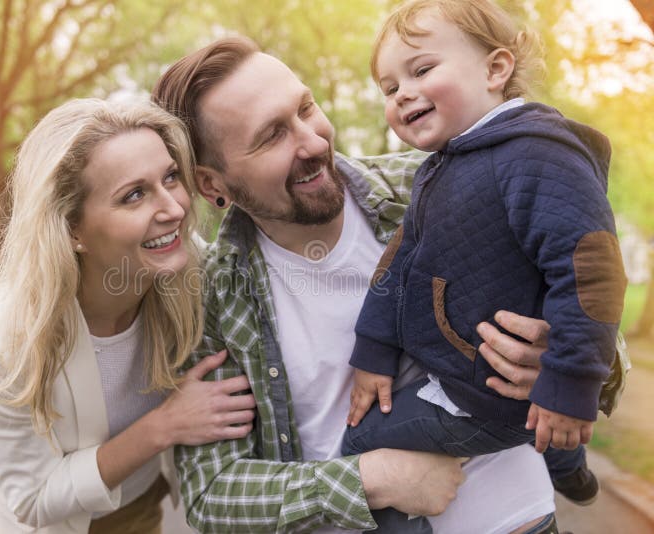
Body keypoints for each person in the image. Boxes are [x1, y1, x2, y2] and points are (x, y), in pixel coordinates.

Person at [149, 36, 612, 533]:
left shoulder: (434, 183)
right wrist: (368, 479)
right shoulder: (206, 297)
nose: (312, 142)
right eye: (271, 136)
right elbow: (213, 494)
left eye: (306, 108)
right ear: (212, 184)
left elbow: (584, 278)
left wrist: (570, 361)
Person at [344, 1, 627, 526]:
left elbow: (591, 272)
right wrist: (374, 351)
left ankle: (560, 444)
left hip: (487, 393)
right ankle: (566, 461)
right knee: (550, 419)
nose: (402, 91)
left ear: (496, 70)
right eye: (388, 87)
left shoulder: (537, 155)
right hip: (479, 376)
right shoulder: (442, 168)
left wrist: (569, 382)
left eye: (422, 69)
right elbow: (399, 266)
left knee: (361, 442)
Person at [0, 99, 257, 534]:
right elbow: (35, 498)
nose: (173, 208)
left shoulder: (194, 273)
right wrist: (165, 425)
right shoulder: (1, 340)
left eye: (170, 177)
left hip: (139, 509)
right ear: (71, 228)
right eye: (133, 195)